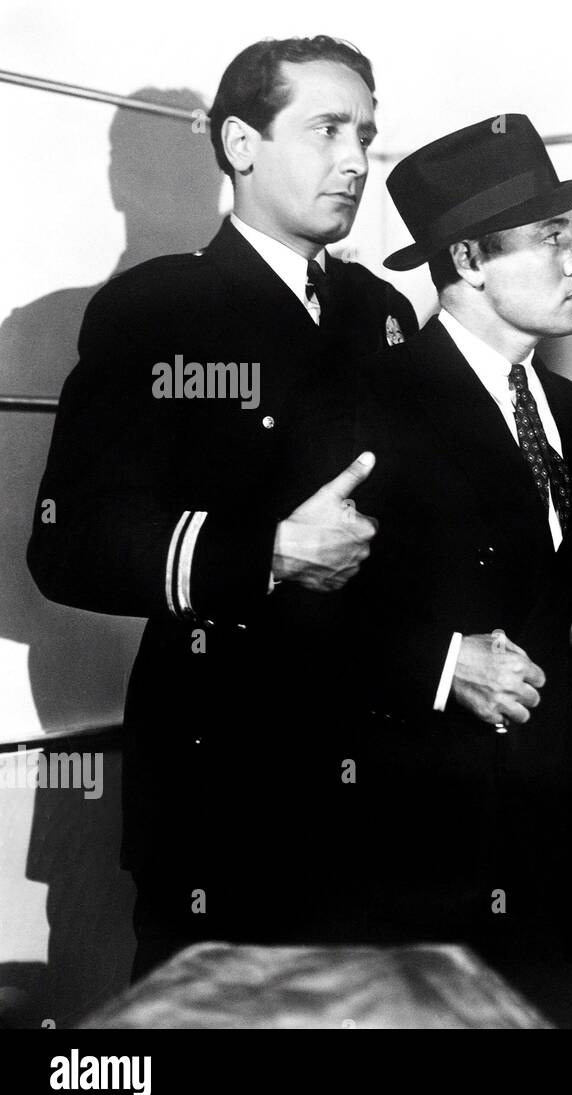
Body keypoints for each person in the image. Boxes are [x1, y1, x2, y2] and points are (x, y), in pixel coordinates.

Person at [27, 36, 418, 980]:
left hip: (389, 783)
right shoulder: (157, 311)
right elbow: (69, 541)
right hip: (228, 789)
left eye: (365, 133)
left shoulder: (380, 311)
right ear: (240, 145)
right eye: (327, 129)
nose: (358, 160)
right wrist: (268, 553)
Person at [281, 114, 572, 1016]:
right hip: (406, 847)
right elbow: (284, 621)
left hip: (550, 837)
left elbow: (553, 582)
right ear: (469, 261)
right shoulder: (364, 399)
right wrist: (441, 665)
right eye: (552, 238)